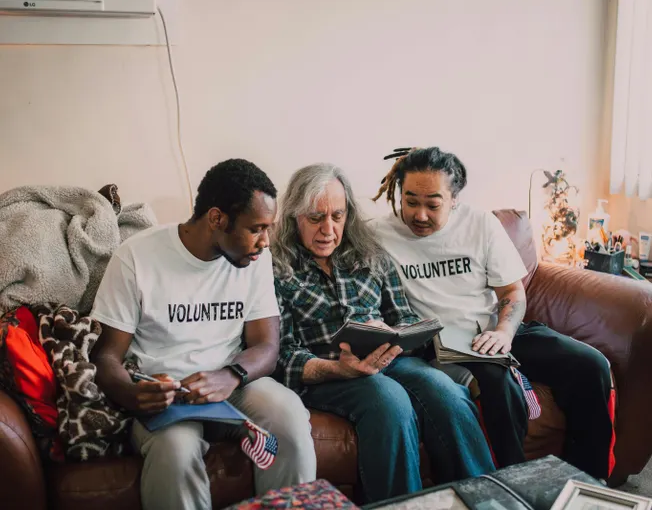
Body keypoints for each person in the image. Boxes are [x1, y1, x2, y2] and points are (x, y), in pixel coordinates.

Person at [371, 146, 614, 480]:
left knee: (591, 365)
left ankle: (589, 482)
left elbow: (512, 292)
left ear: (454, 199)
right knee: (498, 388)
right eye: (410, 201)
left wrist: (503, 332)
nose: (420, 214)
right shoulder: (378, 234)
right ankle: (510, 489)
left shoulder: (481, 224)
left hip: (497, 330)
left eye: (432, 204)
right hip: (444, 344)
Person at [90, 159, 317, 510]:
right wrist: (133, 394)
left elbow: (266, 346)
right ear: (217, 219)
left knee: (288, 416)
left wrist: (230, 376)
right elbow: (106, 357)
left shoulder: (255, 260)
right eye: (256, 229)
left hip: (233, 385)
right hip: (168, 396)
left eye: (268, 229)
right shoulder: (137, 257)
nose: (265, 241)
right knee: (176, 452)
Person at [271, 163, 495, 504]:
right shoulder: (276, 269)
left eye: (337, 215)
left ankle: (482, 500)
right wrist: (336, 369)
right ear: (293, 218)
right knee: (388, 400)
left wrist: (392, 333)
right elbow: (280, 353)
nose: (328, 229)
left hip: (388, 360)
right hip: (328, 372)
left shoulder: (370, 253)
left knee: (446, 392)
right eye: (315, 218)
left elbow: (403, 316)